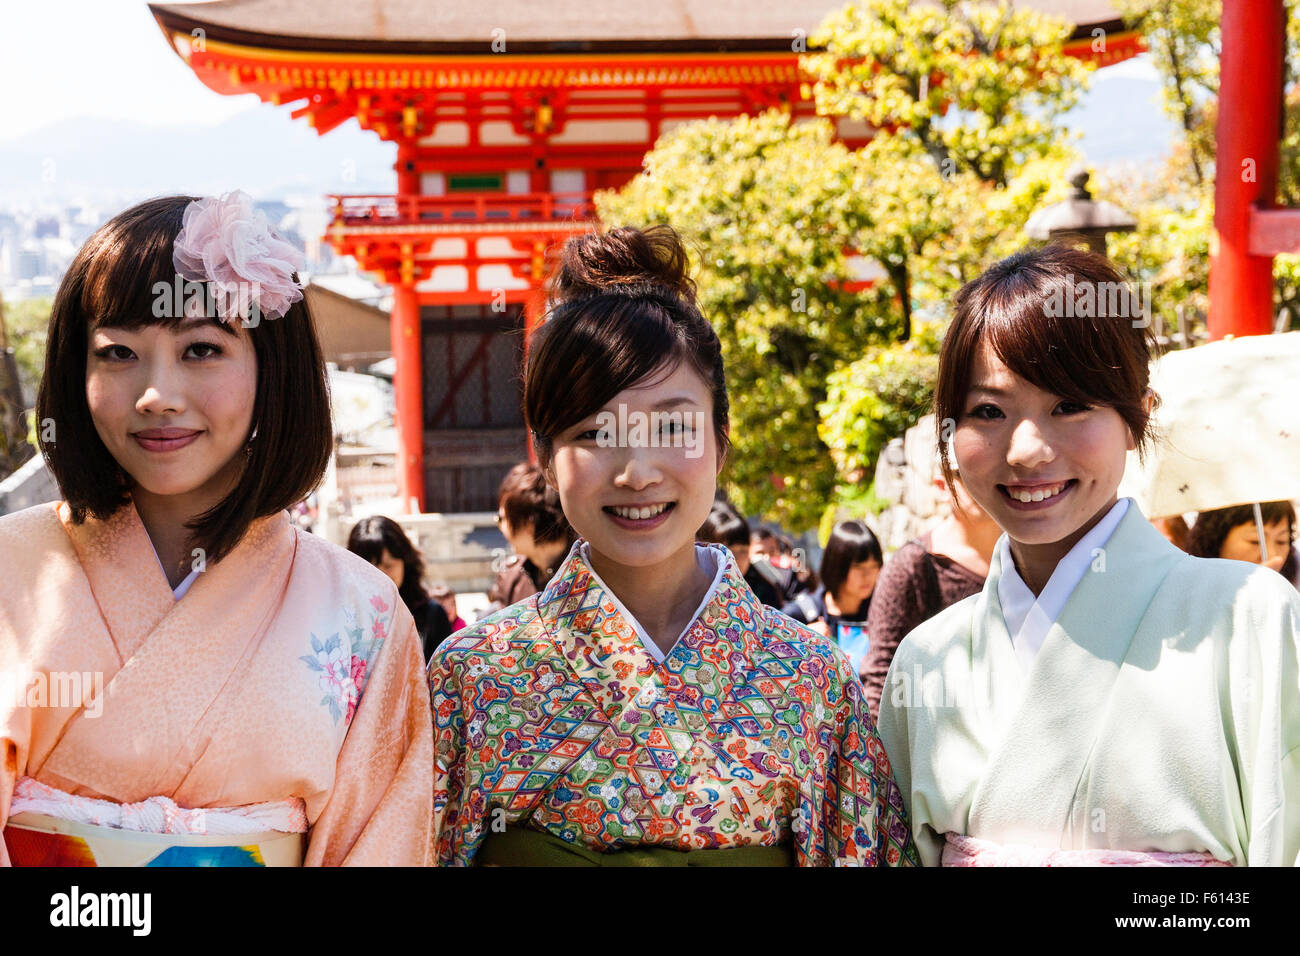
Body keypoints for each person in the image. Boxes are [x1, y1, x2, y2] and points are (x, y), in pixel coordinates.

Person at [427, 224, 918, 867]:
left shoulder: (812, 679)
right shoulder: (470, 677)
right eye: (596, 431)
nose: (637, 470)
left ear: (721, 439)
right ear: (545, 455)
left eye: (672, 426)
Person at [0, 193, 433, 867]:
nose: (157, 393)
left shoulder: (363, 614)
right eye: (117, 353)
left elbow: (380, 843)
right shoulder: (10, 570)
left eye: (202, 347)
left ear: (272, 368)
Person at [878, 244, 1300, 867]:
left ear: (1137, 418)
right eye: (988, 411)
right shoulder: (930, 658)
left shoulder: (1252, 619)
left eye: (1069, 405)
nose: (1026, 450)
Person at [862, 469, 998, 720]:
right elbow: (881, 675)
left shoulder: (1030, 557)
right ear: (942, 485)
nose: (986, 479)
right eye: (968, 473)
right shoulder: (912, 567)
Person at [781, 520, 883, 678]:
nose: (868, 575)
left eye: (874, 566)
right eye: (858, 567)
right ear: (837, 565)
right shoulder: (798, 617)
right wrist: (798, 643)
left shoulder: (882, 614)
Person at [348, 515, 453, 662]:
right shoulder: (346, 617)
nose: (380, 576)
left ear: (406, 562)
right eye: (369, 568)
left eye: (388, 566)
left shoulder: (433, 615)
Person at [485, 462, 575, 611]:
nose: (500, 527)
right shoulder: (511, 577)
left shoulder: (591, 568)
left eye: (502, 519)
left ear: (527, 523)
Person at [1186, 500, 1298, 590]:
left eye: (1281, 541)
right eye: (1255, 541)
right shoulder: (1189, 592)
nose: (1273, 555)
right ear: (1217, 539)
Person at [695, 502, 784, 607]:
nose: (736, 558)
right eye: (727, 550)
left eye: (743, 550)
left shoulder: (762, 588)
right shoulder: (690, 590)